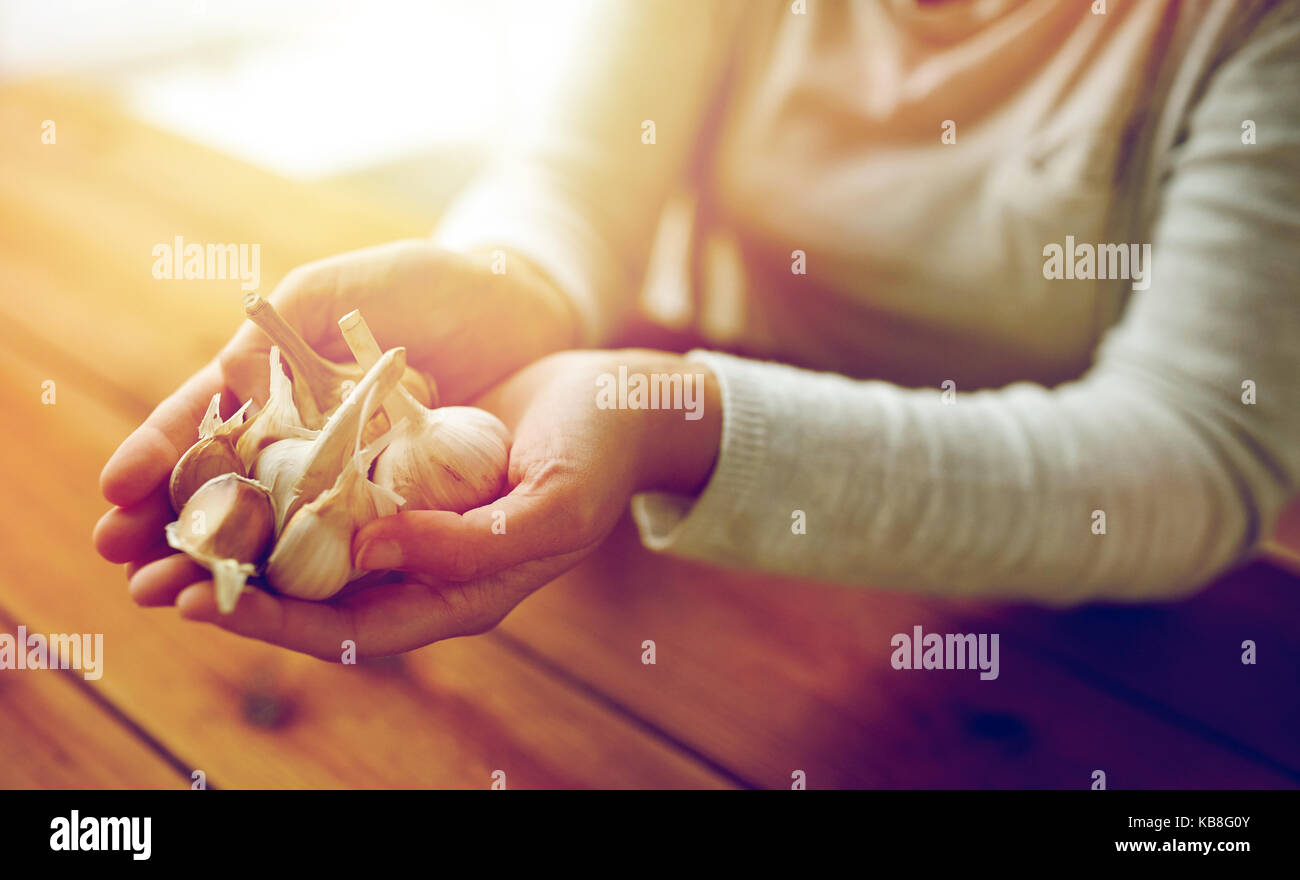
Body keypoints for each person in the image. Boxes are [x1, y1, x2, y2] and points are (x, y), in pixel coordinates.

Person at [95, 0, 1300, 659]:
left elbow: (1194, 450)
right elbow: (574, 182)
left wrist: (674, 420)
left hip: (1087, 639)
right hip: (698, 576)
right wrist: (513, 284)